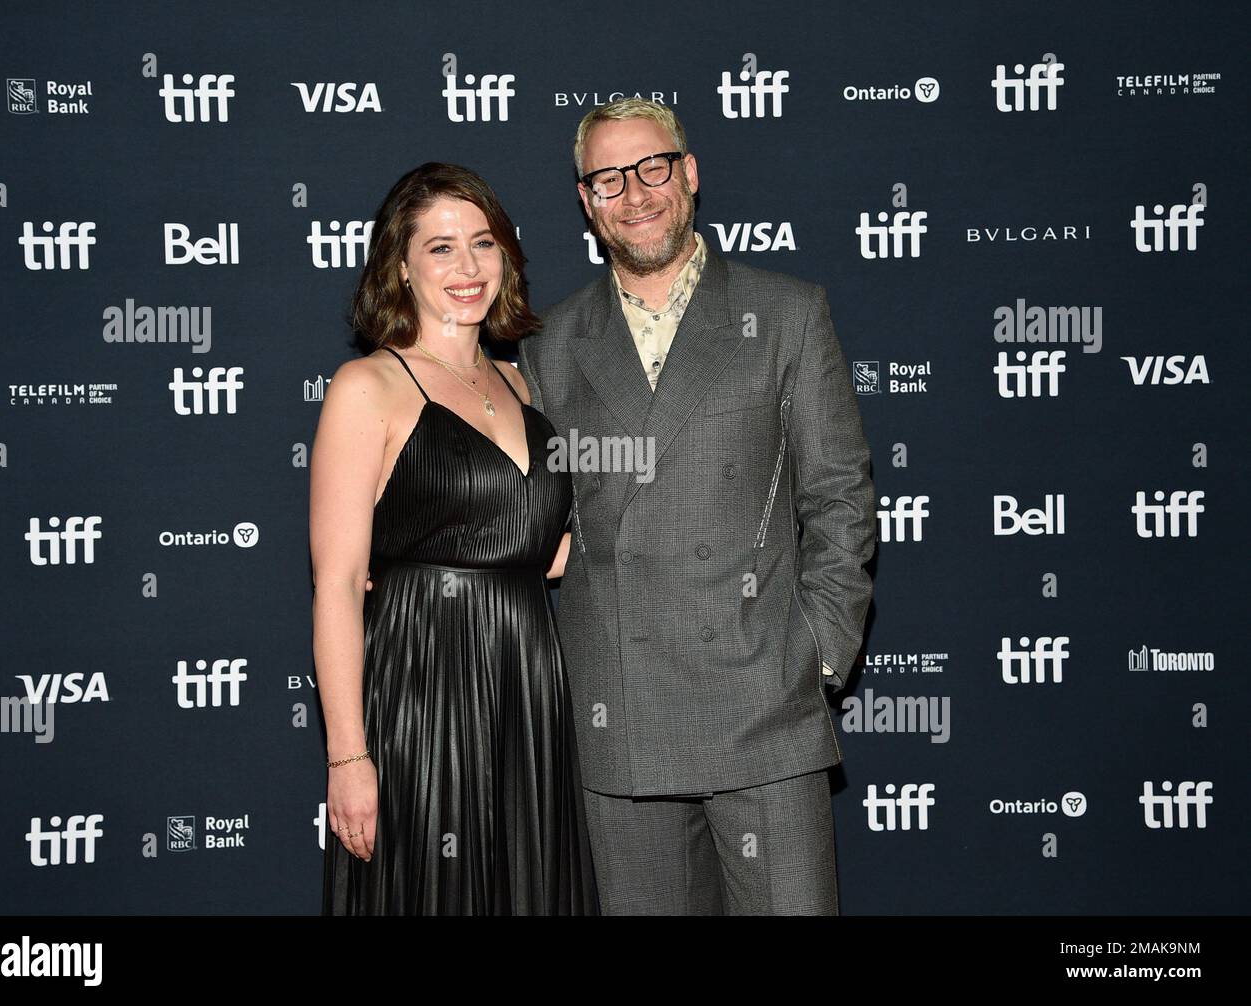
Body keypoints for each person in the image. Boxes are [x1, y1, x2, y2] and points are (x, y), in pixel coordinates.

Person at [515, 99, 876, 915]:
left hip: (762, 704)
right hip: (621, 706)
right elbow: (541, 517)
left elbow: (840, 498)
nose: (634, 193)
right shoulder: (550, 344)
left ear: (690, 173)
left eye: (652, 168)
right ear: (586, 199)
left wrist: (815, 655)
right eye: (609, 178)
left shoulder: (785, 314)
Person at [311, 162, 597, 914]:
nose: (467, 267)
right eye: (440, 248)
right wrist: (348, 755)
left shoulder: (527, 386)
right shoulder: (368, 387)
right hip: (421, 684)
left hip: (527, 683)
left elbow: (549, 548)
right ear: (400, 266)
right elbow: (339, 582)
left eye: (483, 243)